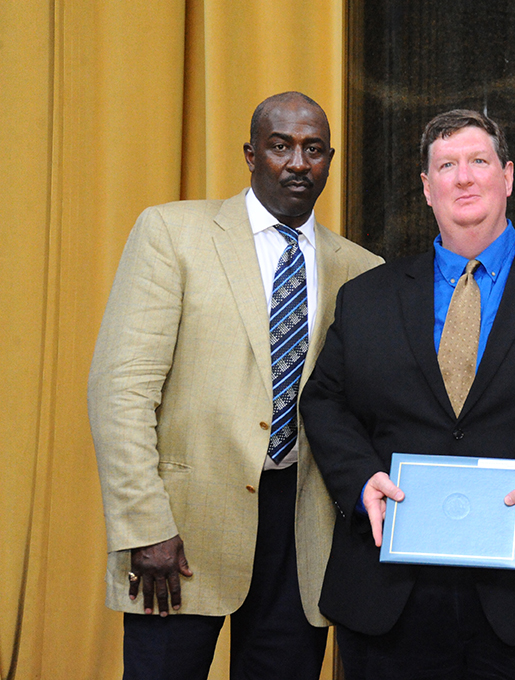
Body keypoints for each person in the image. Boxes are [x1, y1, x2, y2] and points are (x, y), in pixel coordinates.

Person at [299, 109, 515, 679]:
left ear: (507, 176)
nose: (464, 178)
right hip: (393, 598)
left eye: (479, 161)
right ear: (426, 188)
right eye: (446, 166)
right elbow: (324, 401)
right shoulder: (367, 297)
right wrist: (361, 478)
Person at [88, 91, 383, 680]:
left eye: (313, 149)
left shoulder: (362, 270)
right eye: (280, 147)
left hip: (304, 536)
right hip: (180, 533)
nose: (298, 162)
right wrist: (146, 526)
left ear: (330, 160)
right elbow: (120, 390)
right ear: (251, 155)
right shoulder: (173, 233)